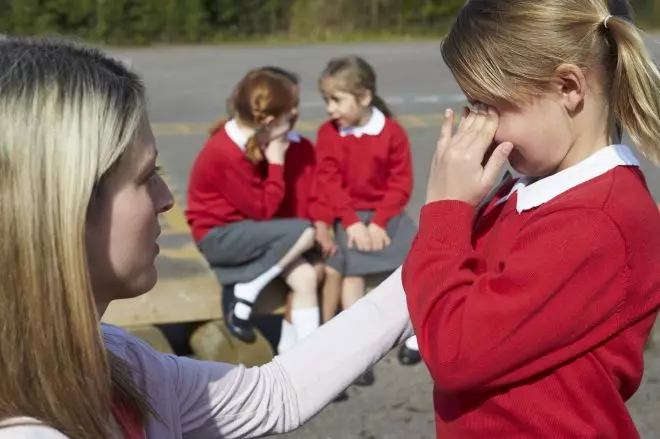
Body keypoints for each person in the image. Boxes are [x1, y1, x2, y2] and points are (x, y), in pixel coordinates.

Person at [0, 36, 413, 438]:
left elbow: (277, 394)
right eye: (147, 178)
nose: (166, 200)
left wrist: (431, 260)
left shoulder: (123, 361)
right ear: (63, 208)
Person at [401, 0, 660, 437]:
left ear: (568, 87)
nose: (478, 126)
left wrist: (446, 209)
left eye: (488, 106)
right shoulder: (528, 189)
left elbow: (454, 353)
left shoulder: (596, 222)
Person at [186, 69, 322, 344]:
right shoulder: (226, 152)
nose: (294, 115)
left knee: (306, 277)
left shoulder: (246, 139)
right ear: (270, 120)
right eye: (289, 113)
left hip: (246, 233)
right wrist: (276, 162)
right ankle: (248, 286)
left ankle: (306, 360)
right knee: (306, 232)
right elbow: (263, 210)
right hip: (219, 238)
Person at [312, 55, 421, 379]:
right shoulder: (329, 133)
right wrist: (354, 223)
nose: (330, 109)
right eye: (326, 100)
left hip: (385, 213)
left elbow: (400, 183)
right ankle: (357, 350)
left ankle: (417, 335)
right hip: (348, 214)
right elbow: (329, 183)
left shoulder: (392, 133)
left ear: (364, 97)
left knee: (420, 261)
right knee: (352, 273)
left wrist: (379, 222)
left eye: (336, 100)